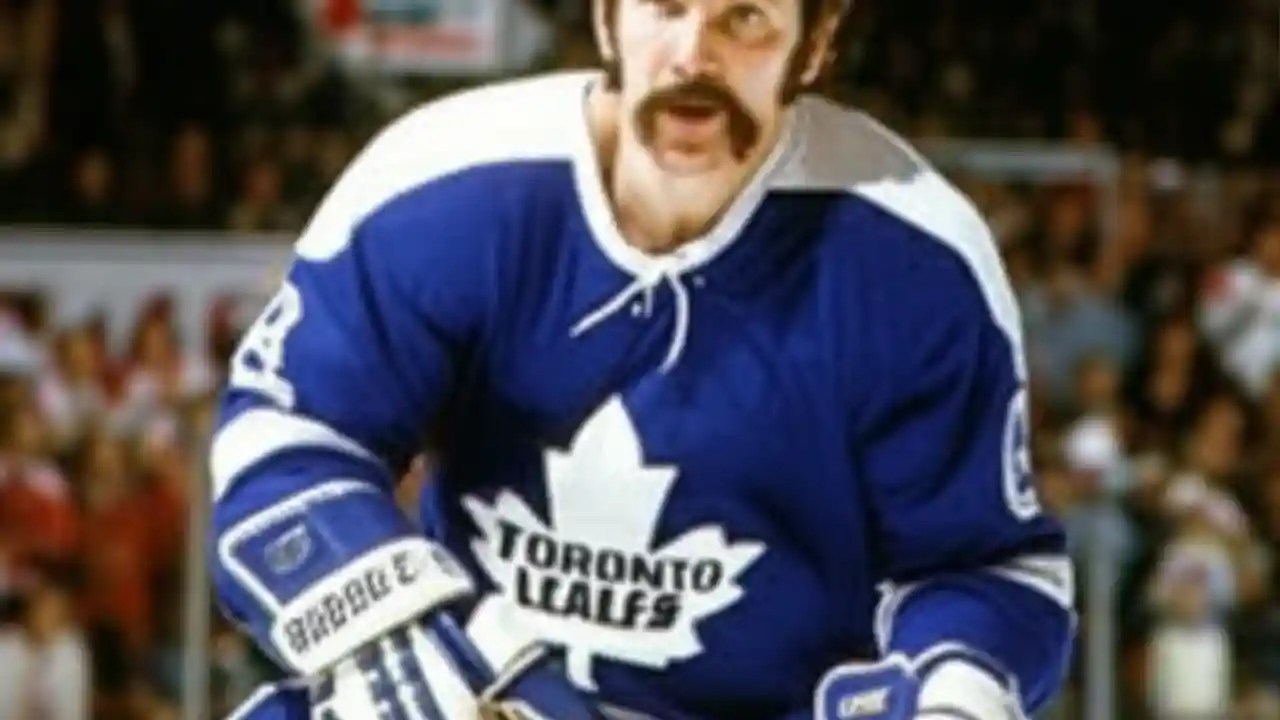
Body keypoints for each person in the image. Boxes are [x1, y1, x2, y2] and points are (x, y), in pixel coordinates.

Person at [211, 0, 1075, 718]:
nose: (691, 56)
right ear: (605, 16)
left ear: (814, 46)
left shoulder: (915, 262)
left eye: (744, 21)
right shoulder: (438, 190)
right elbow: (288, 431)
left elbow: (981, 566)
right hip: (483, 695)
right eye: (665, 7)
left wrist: (952, 699)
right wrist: (379, 635)